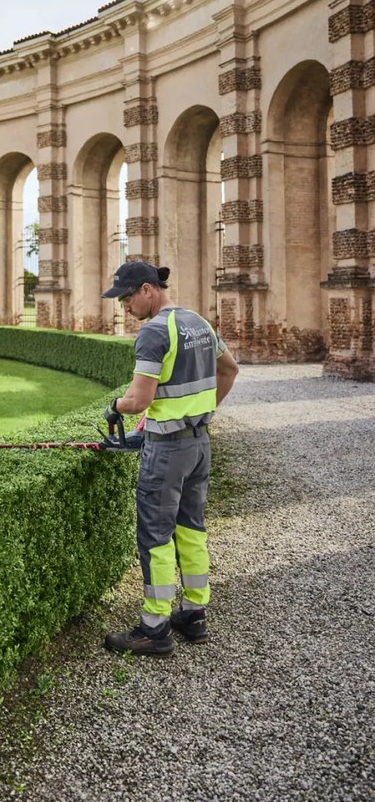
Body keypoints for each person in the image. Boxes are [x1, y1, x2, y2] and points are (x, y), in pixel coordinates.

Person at [101, 261, 239, 656]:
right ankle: (194, 615)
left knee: (155, 537)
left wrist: (116, 405)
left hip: (167, 452)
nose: (125, 307)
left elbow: (139, 400)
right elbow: (230, 370)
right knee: (192, 529)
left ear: (147, 290)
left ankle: (154, 627)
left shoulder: (154, 332)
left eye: (127, 298)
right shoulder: (198, 322)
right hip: (199, 445)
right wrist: (198, 412)